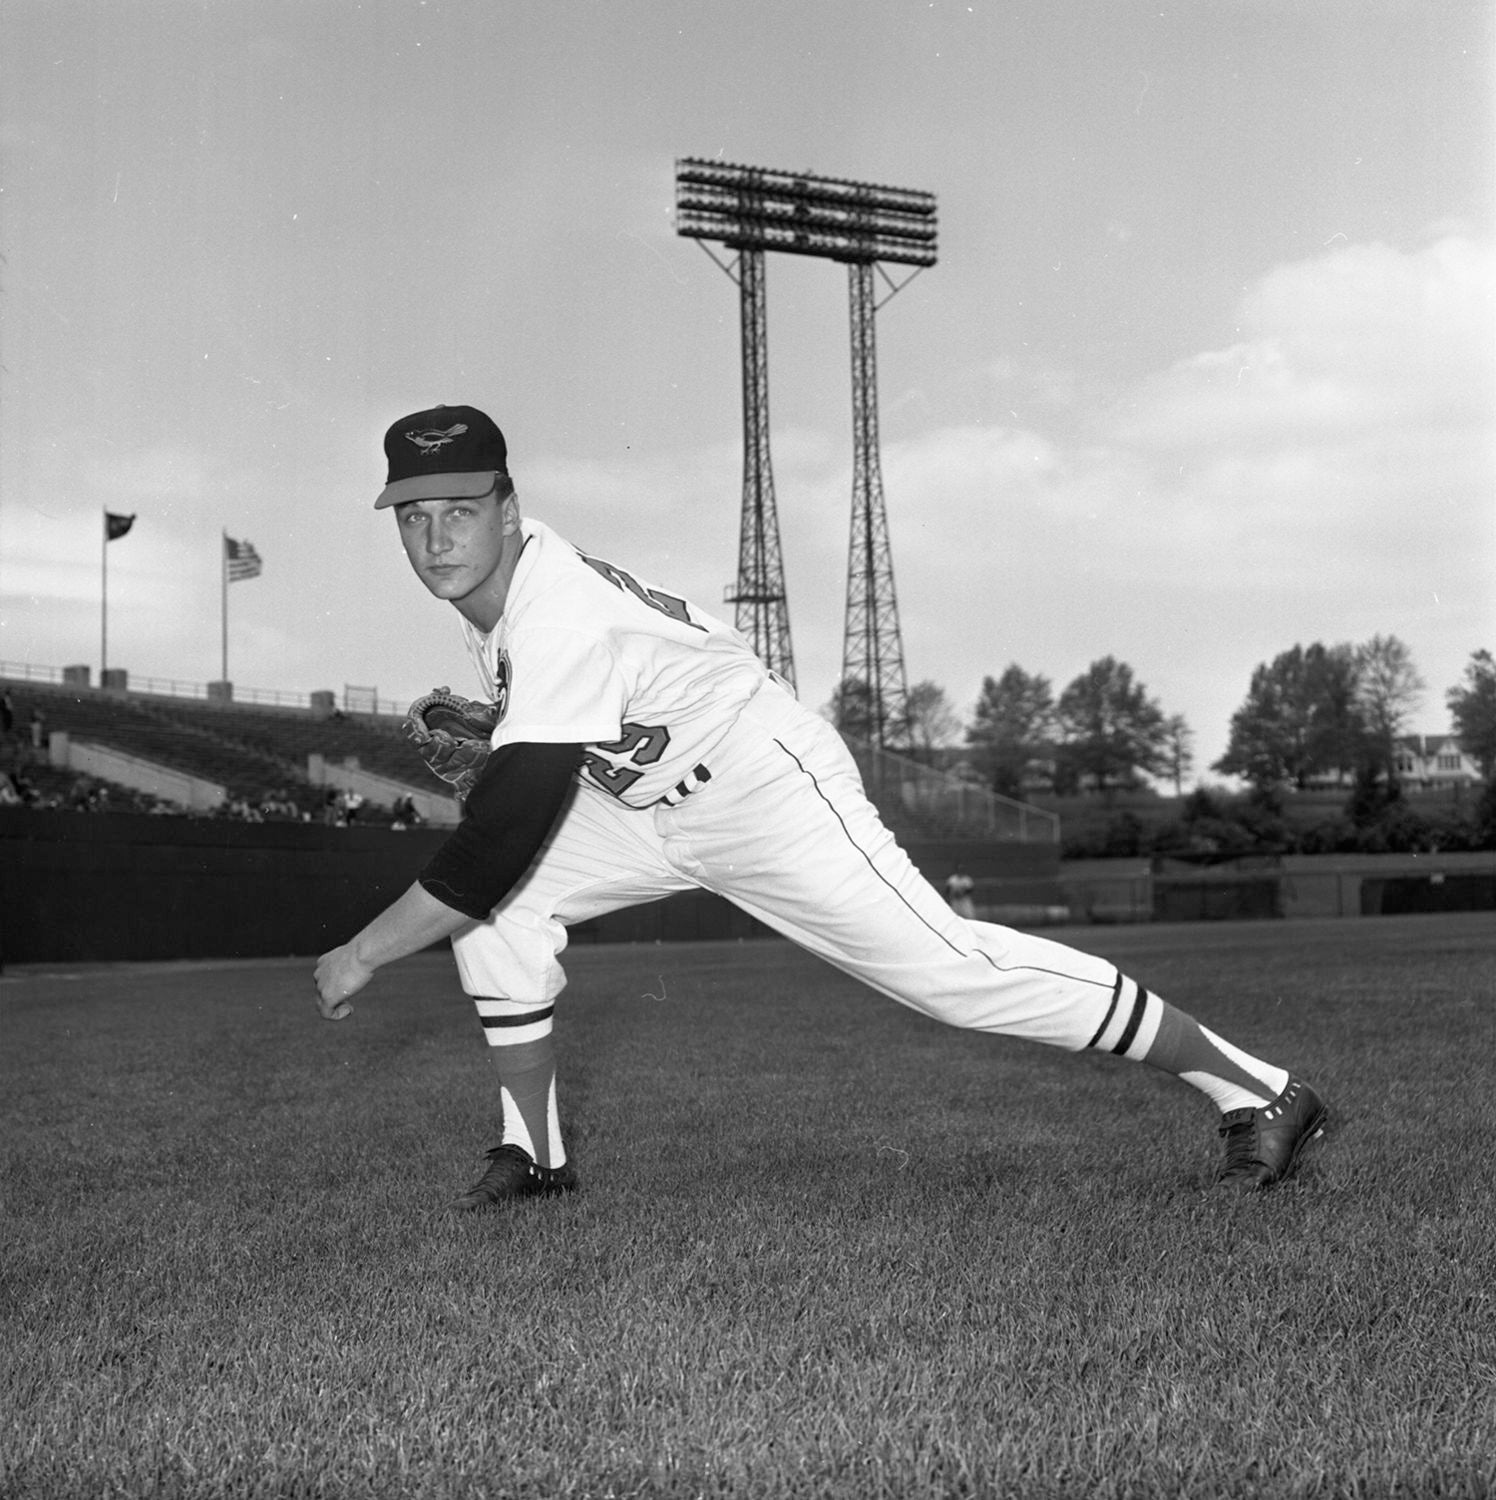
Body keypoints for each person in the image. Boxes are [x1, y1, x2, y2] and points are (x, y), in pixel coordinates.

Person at [314, 404, 1329, 1210]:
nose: (436, 537)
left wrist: (363, 951)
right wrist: (511, 731)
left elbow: (499, 837)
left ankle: (1258, 1088)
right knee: (505, 916)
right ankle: (533, 1151)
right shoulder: (504, 599)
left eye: (459, 510)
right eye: (414, 516)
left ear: (508, 508)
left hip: (758, 784)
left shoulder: (554, 612)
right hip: (649, 805)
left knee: (952, 976)